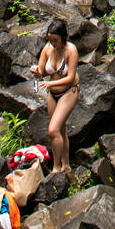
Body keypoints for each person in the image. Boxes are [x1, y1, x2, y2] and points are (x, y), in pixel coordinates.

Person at [30, 20, 79, 174]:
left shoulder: (71, 50)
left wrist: (50, 84)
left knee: (52, 130)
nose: (53, 43)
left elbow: (70, 77)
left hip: (68, 91)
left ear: (63, 37)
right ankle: (66, 165)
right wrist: (36, 71)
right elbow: (41, 70)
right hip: (53, 94)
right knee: (60, 130)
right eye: (50, 39)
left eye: (55, 40)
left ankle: (56, 168)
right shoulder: (47, 49)